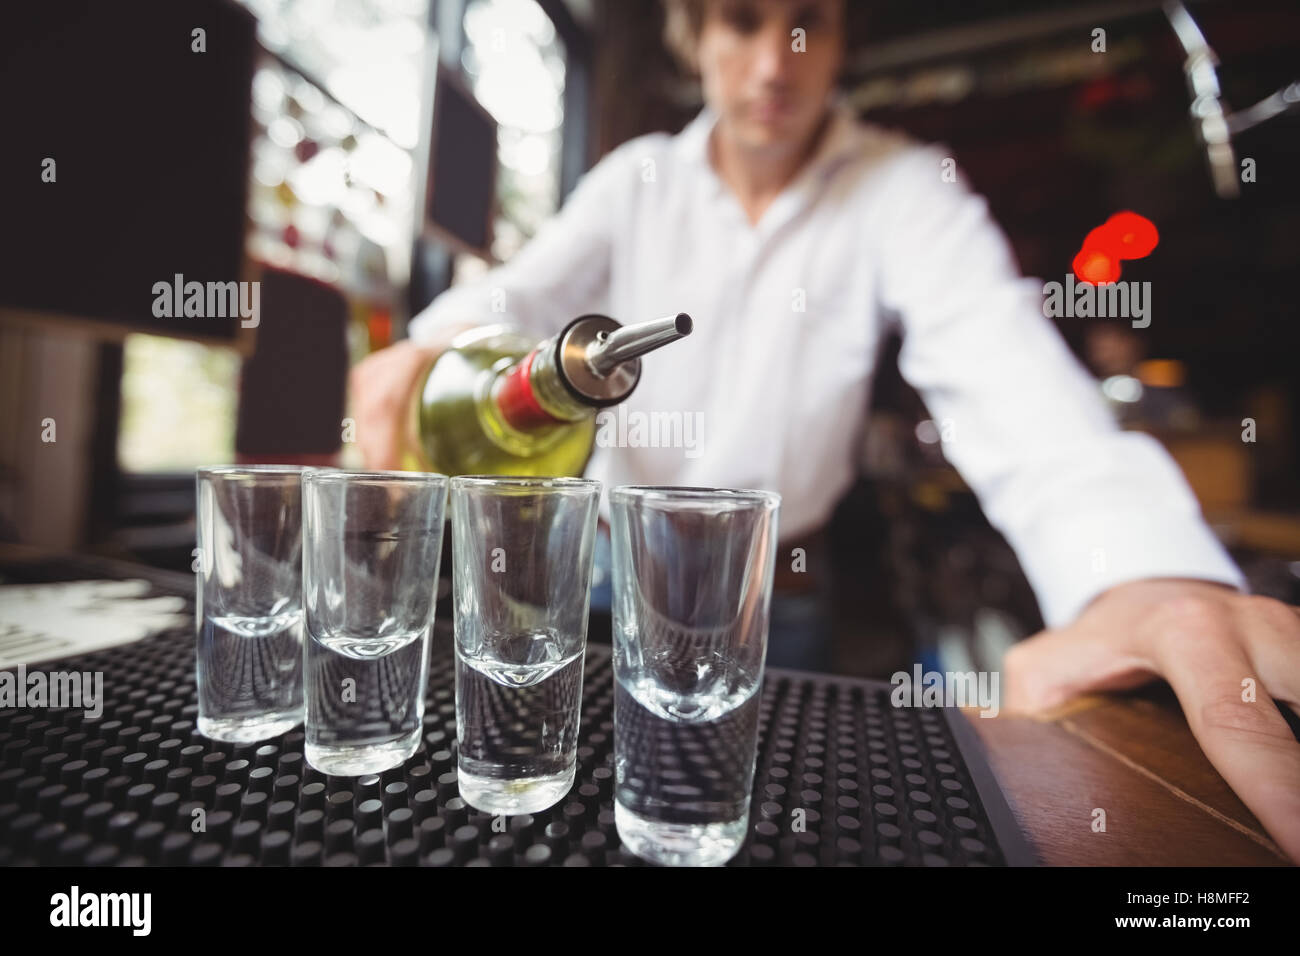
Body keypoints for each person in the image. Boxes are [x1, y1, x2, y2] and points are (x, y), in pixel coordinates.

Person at [351, 0, 1300, 860]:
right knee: (560, 820)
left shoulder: (902, 188)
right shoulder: (636, 181)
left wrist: (1143, 572)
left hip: (775, 593)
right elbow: (521, 292)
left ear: (844, 40)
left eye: (807, 21)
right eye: (742, 20)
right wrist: (426, 344)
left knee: (749, 827)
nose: (775, 62)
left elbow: (1000, 357)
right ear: (696, 37)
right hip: (606, 576)